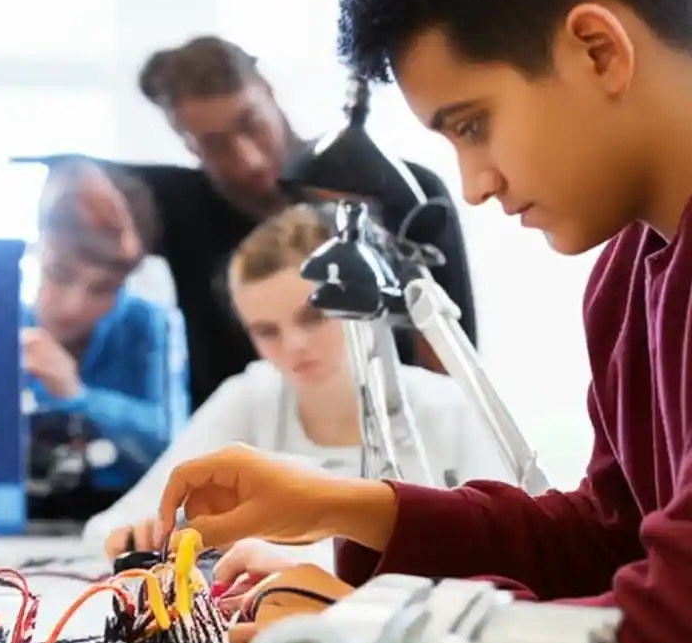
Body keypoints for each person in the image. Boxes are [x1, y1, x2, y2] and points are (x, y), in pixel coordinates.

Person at [153, 0, 692, 643]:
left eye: (472, 124)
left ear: (598, 50)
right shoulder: (625, 277)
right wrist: (345, 506)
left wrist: (375, 631)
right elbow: (606, 541)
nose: (472, 186)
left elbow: (672, 628)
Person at [72, 36, 478, 409]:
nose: (247, 159)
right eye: (214, 145)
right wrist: (79, 181)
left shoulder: (396, 189)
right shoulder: (175, 205)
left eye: (251, 124)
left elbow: (453, 351)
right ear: (186, 142)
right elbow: (77, 172)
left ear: (268, 90)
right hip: (242, 452)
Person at [86, 204, 513, 557]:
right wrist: (138, 536)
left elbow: (506, 549)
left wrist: (290, 560)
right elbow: (106, 530)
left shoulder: (447, 408)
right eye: (266, 331)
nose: (294, 346)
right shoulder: (249, 398)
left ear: (360, 303)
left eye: (313, 317)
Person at [0, 159, 189, 507]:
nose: (73, 306)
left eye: (102, 289)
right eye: (59, 274)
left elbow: (174, 445)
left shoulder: (147, 327)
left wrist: (76, 395)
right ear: (38, 248)